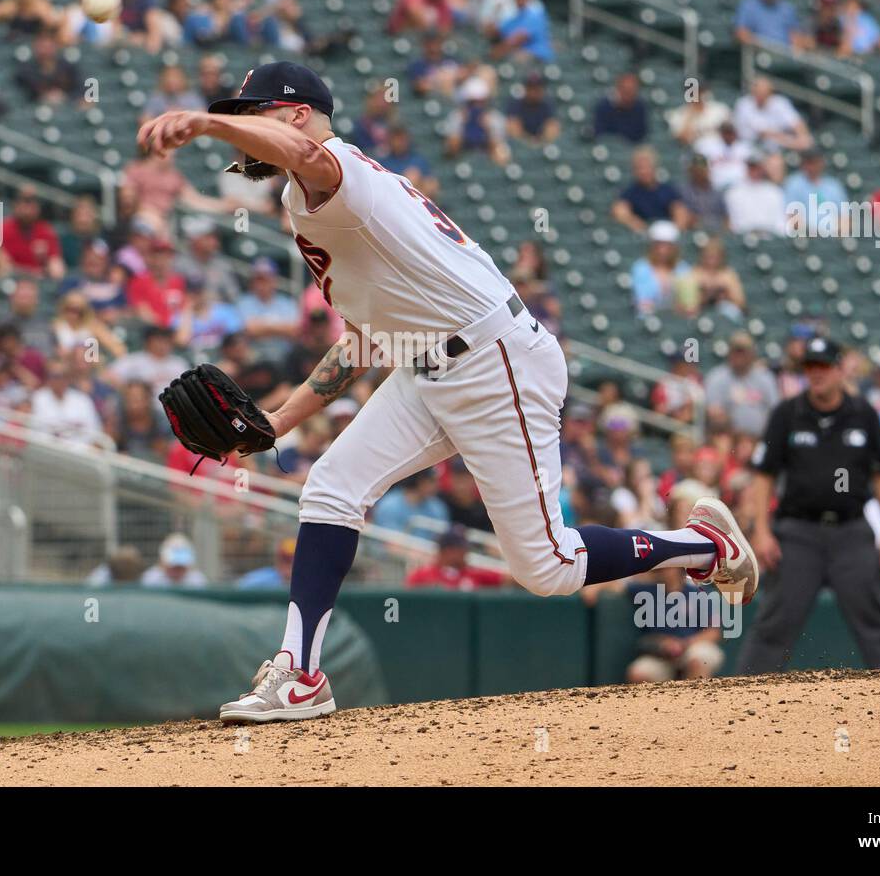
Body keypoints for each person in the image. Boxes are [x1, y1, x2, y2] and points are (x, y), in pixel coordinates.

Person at [139, 60, 758, 723]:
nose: (237, 134)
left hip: (495, 363)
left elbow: (307, 151)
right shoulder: (306, 201)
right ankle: (301, 675)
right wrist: (280, 419)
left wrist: (204, 121)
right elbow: (364, 338)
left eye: (248, 115)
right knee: (330, 487)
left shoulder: (335, 172)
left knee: (547, 568)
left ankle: (703, 546)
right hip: (427, 364)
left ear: (294, 115)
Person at [740, 337, 880, 673]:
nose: (816, 374)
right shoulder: (787, 414)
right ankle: (747, 703)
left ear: (840, 369)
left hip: (851, 531)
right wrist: (761, 532)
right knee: (776, 622)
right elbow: (763, 477)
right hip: (798, 531)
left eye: (823, 366)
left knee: (876, 622)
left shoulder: (863, 414)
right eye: (810, 367)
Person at [405, 525, 505, 590]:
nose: (466, 552)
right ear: (447, 551)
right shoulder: (421, 575)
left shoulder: (474, 573)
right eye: (461, 548)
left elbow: (509, 580)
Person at [140, 533, 208, 589]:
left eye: (181, 567)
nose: (177, 571)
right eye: (174, 567)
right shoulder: (152, 579)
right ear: (163, 564)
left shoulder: (197, 580)